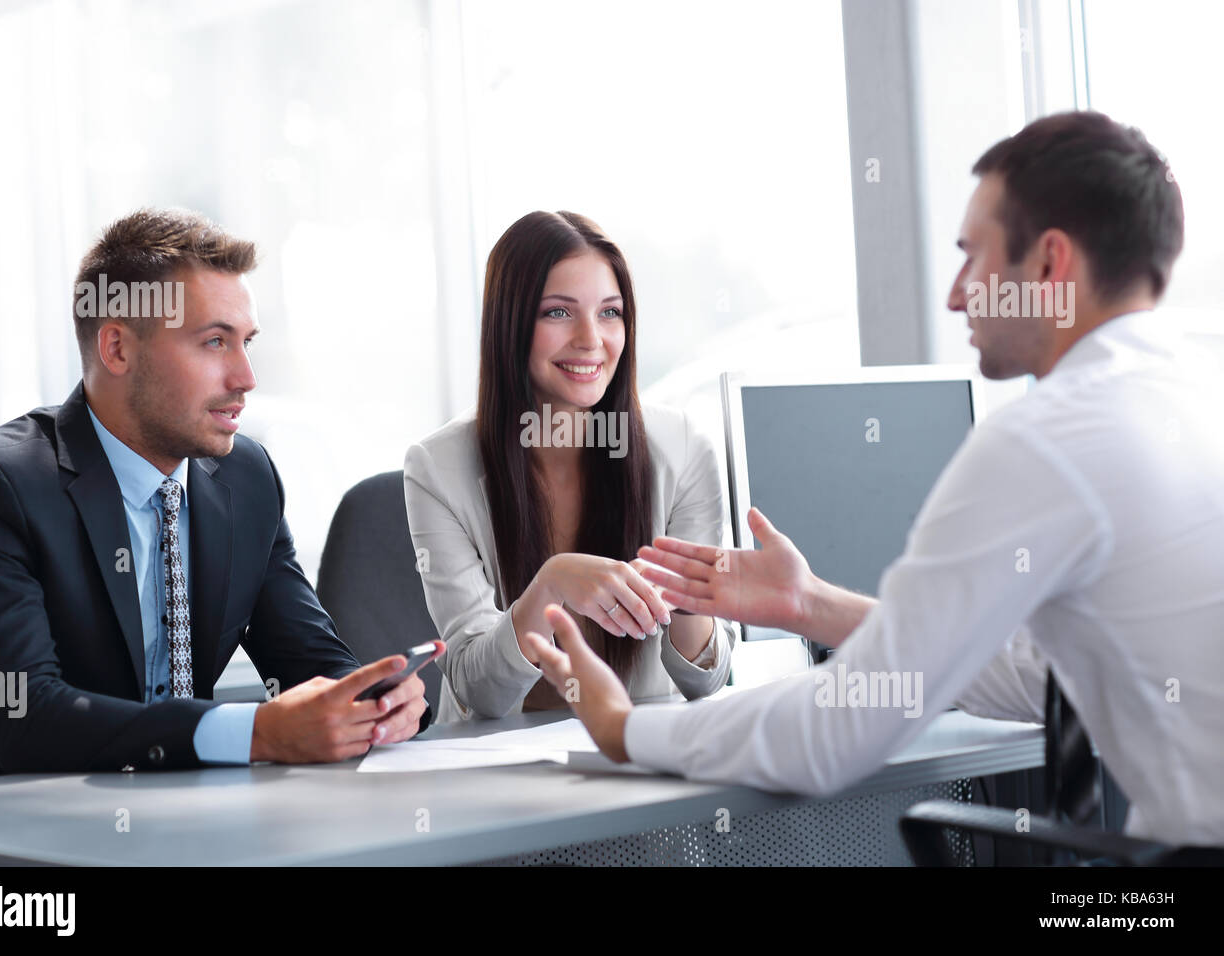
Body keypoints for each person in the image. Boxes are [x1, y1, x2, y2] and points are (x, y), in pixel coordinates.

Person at [521, 112, 1224, 846]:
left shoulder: (1051, 437)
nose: (956, 296)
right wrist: (812, 604)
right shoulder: (1196, 397)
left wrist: (625, 729)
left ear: (1048, 266)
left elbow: (836, 733)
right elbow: (1044, 677)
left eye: (973, 257)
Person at [0, 208, 438, 781]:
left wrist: (377, 704)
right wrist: (259, 730)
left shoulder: (246, 477)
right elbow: (26, 719)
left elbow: (307, 665)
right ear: (117, 348)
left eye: (246, 342)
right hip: (2, 826)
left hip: (184, 812)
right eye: (215, 341)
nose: (246, 377)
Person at [404, 210, 734, 722]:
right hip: (503, 771)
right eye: (558, 313)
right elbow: (478, 689)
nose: (590, 339)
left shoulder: (684, 449)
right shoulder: (437, 468)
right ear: (510, 324)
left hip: (641, 753)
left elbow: (706, 681)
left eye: (610, 312)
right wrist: (550, 585)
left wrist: (690, 600)